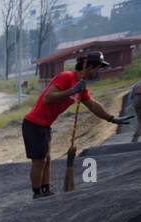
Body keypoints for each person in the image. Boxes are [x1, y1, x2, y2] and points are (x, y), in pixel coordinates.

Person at [23, 50, 129, 198]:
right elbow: (48, 98)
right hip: (33, 123)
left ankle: (45, 189)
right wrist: (71, 91)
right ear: (90, 67)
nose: (98, 72)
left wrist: (111, 118)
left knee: (47, 158)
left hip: (45, 125)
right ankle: (37, 192)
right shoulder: (66, 77)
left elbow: (92, 105)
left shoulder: (81, 87)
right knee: (39, 160)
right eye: (98, 68)